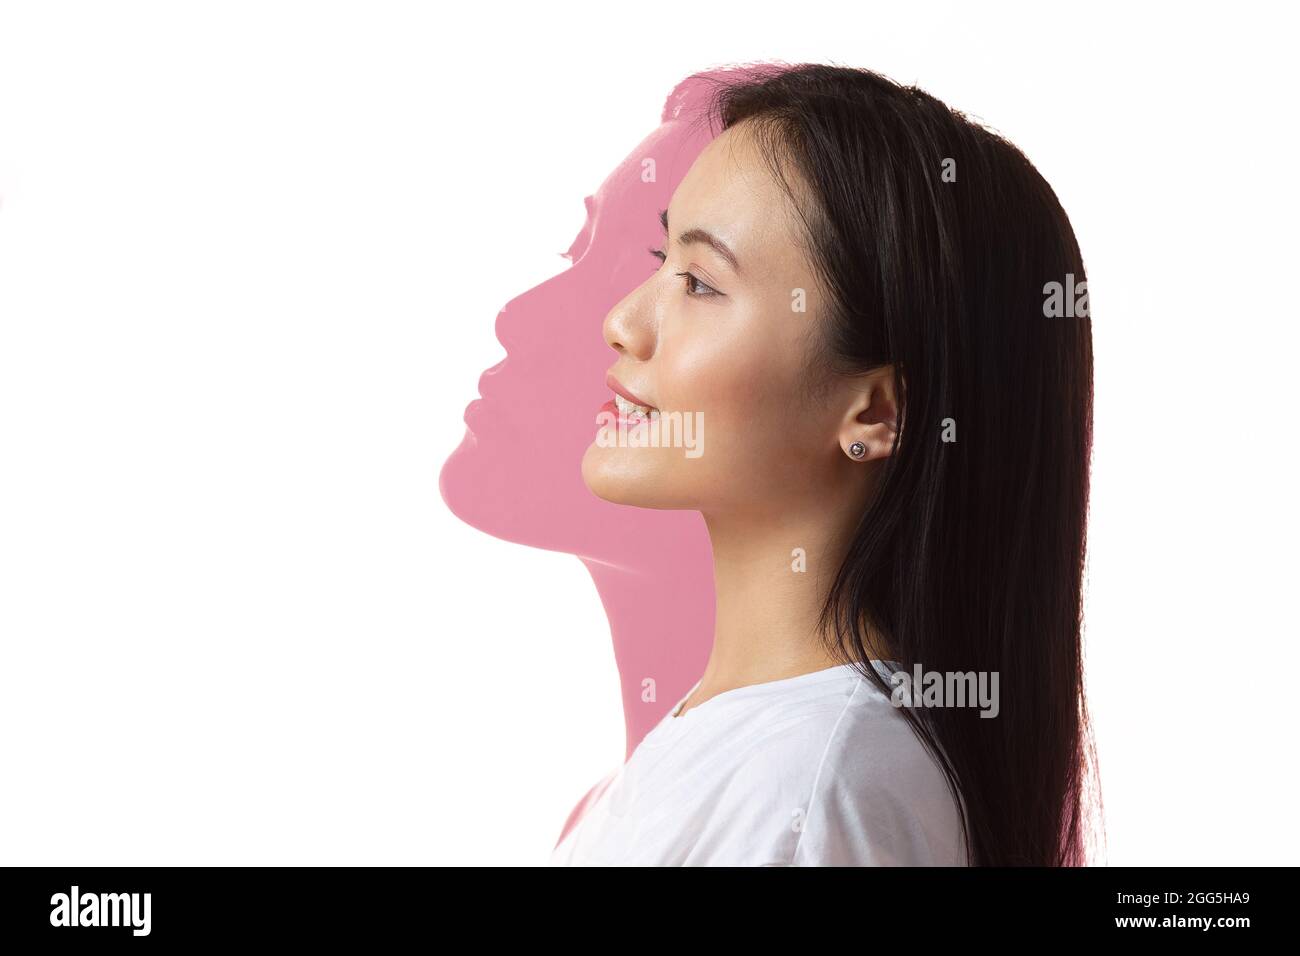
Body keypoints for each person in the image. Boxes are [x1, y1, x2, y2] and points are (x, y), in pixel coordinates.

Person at [551, 63, 1099, 866]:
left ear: (874, 413)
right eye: (660, 257)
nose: (624, 322)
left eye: (700, 284)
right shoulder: (752, 752)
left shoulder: (812, 788)